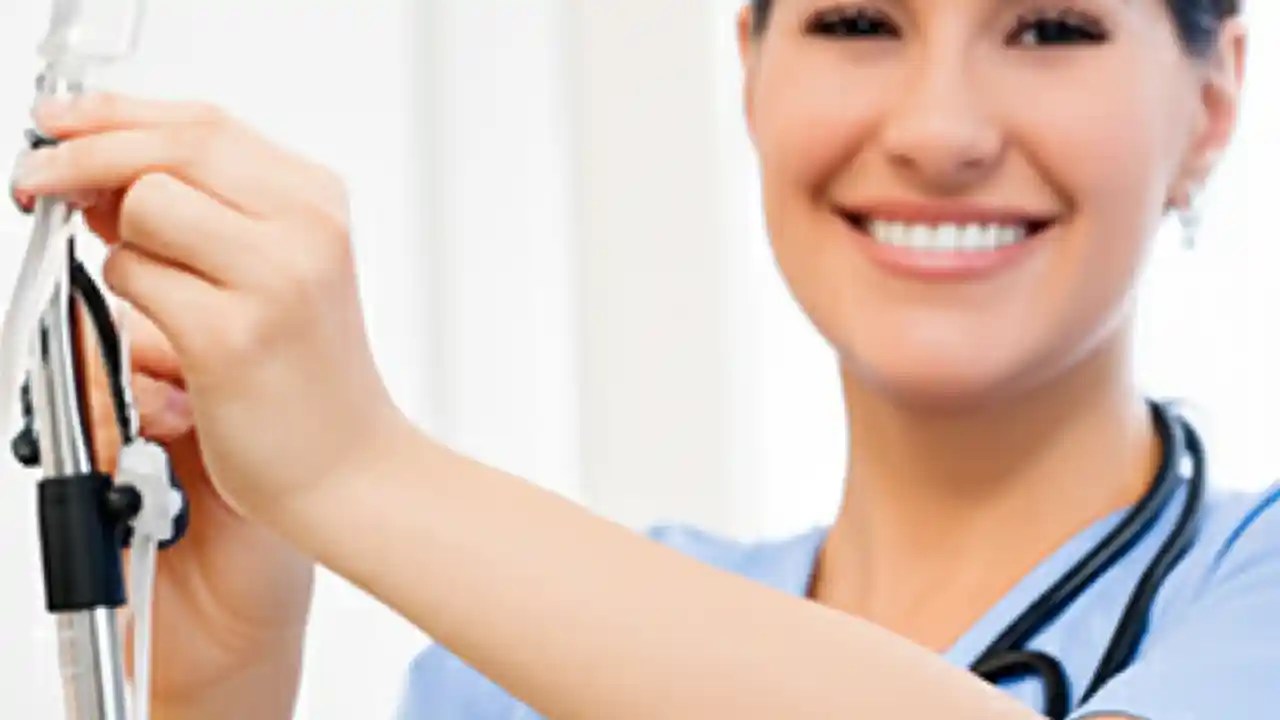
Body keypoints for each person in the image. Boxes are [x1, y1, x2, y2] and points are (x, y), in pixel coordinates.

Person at [8, 0, 1275, 718]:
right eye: (855, 20)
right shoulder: (493, 680)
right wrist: (227, 653)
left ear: (1210, 101)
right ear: (750, 69)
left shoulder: (1249, 599)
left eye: (1050, 26)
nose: (937, 130)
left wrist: (351, 471)